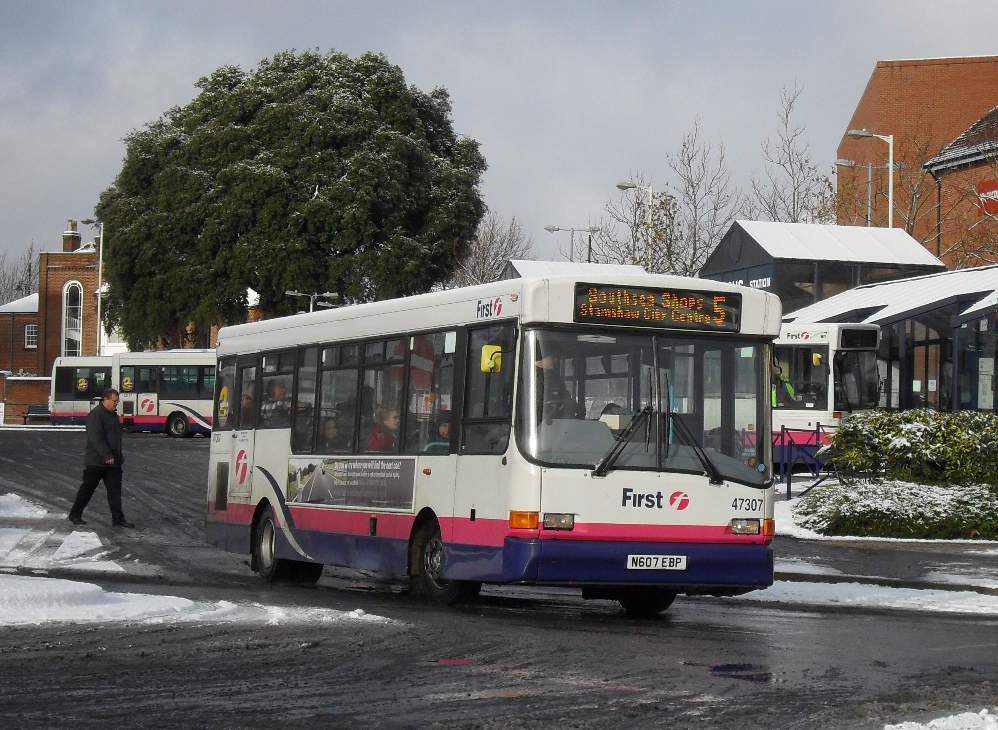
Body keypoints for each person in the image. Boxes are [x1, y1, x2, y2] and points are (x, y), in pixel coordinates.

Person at [67, 389, 134, 528]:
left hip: (113, 462)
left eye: (117, 401)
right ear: (105, 399)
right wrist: (106, 455)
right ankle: (75, 514)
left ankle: (118, 519)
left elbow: (115, 438)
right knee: (87, 489)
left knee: (115, 491)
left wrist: (118, 456)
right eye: (114, 401)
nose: (117, 403)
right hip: (96, 462)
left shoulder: (113, 415)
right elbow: (96, 438)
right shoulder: (96, 414)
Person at [535, 352, 583, 421]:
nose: (555, 360)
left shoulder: (563, 394)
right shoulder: (534, 395)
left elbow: (577, 409)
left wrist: (574, 406)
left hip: (562, 428)